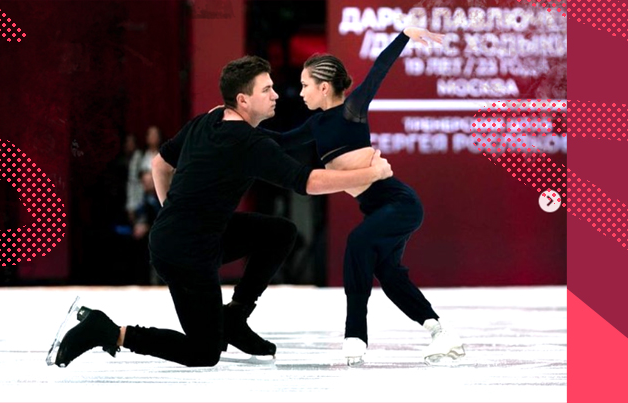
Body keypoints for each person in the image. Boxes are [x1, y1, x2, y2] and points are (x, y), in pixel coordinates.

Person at [47, 56, 394, 368]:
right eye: (267, 89)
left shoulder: (209, 119)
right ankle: (107, 330)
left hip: (189, 236)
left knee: (279, 233)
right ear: (243, 100)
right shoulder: (249, 144)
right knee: (203, 353)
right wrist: (371, 173)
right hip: (186, 254)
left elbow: (160, 165)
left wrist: (175, 212)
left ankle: (236, 317)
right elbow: (308, 182)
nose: (276, 95)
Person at [262, 27, 465, 365]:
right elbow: (279, 142)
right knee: (389, 273)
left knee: (358, 244)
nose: (300, 93)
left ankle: (355, 335)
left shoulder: (351, 110)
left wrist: (404, 35)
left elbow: (378, 71)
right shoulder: (315, 126)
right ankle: (441, 332)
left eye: (305, 85)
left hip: (398, 202)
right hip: (378, 208)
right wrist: (237, 126)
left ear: (324, 87)